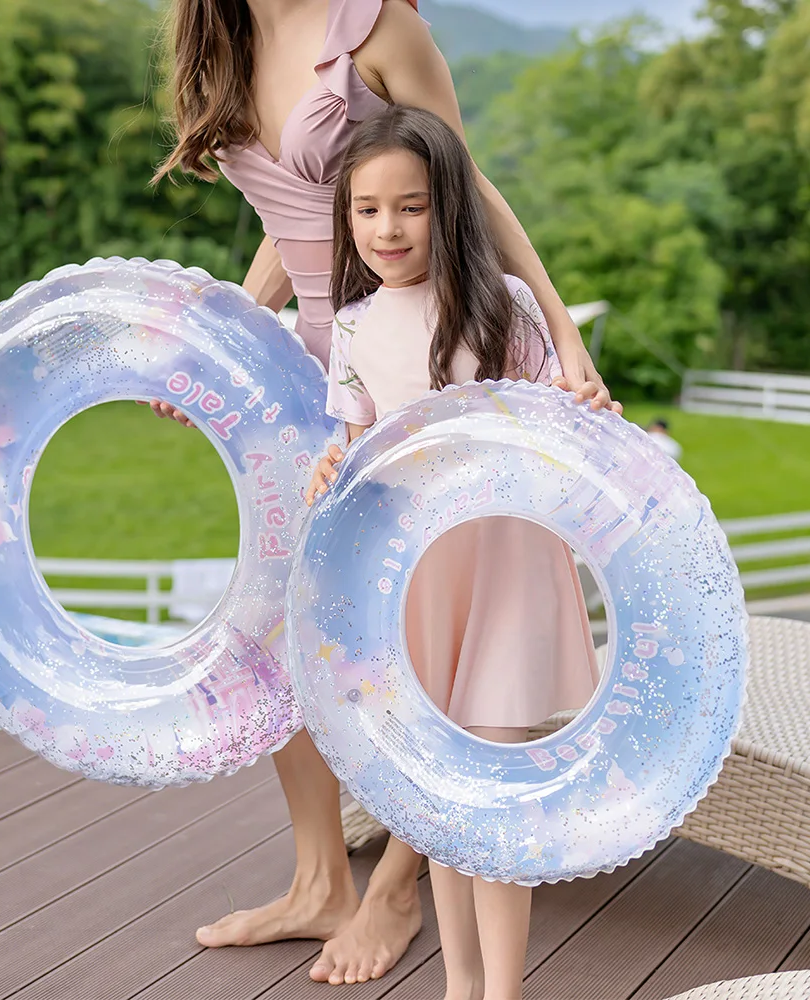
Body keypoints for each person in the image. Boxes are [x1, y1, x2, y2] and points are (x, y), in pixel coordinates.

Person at [152, 0, 619, 985]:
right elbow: (297, 217)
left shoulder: (376, 29)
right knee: (292, 628)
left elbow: (463, 183)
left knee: (435, 650)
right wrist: (230, 333)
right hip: (330, 368)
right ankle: (321, 881)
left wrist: (563, 334)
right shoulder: (219, 31)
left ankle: (400, 886)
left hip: (429, 346)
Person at [306, 104, 599, 1000]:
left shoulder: (503, 304)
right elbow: (356, 446)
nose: (387, 229)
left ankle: (503, 992)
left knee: (491, 789)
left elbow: (556, 419)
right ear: (347, 218)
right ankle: (459, 986)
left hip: (505, 564)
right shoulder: (353, 326)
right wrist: (331, 465)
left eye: (411, 206)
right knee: (439, 792)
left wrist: (588, 416)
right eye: (367, 210)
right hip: (418, 576)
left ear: (449, 207)